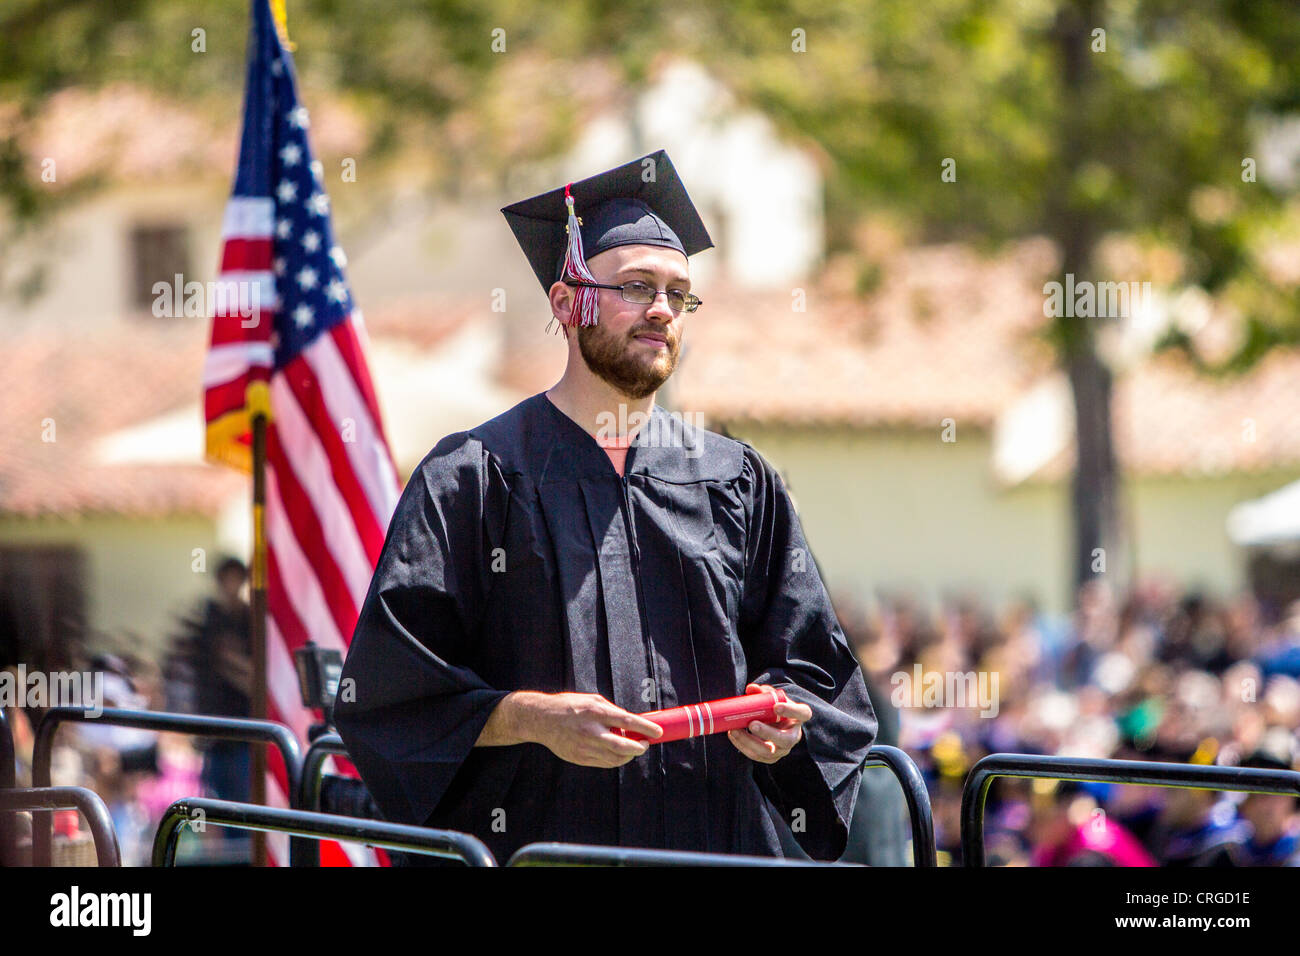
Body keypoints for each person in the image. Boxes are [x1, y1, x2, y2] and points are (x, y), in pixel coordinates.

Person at [334, 149, 878, 864]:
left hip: (715, 847)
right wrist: (531, 718)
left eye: (678, 294)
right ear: (567, 304)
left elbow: (814, 670)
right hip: (541, 846)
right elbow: (389, 691)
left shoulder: (736, 480)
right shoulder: (473, 478)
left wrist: (784, 725)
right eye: (634, 286)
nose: (660, 309)